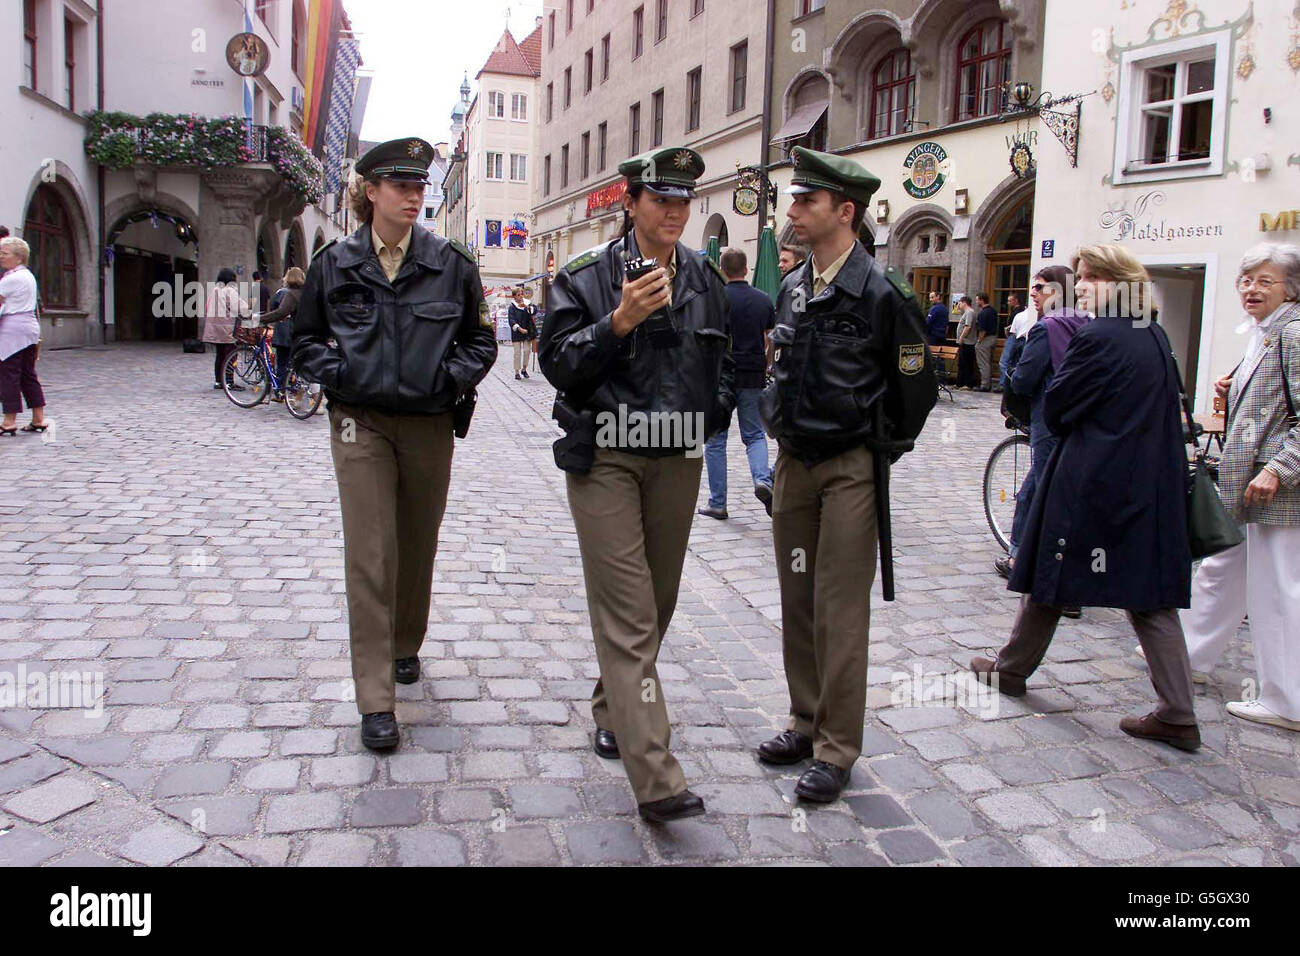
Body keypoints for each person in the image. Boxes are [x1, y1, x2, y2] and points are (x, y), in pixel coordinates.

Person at [540, 146, 736, 823]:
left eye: (685, 200)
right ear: (631, 204)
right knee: (628, 613)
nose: (676, 211)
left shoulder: (707, 279)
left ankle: (610, 705)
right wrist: (617, 322)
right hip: (610, 456)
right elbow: (559, 364)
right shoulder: (589, 276)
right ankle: (655, 776)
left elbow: (726, 364)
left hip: (676, 456)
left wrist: (714, 420)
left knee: (657, 602)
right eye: (662, 199)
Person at [292, 137, 497, 751]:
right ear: (370, 192)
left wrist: (448, 377)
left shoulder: (451, 264)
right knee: (370, 551)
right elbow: (301, 342)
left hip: (430, 423)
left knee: (416, 542)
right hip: (361, 423)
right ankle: (376, 698)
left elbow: (481, 342)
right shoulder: (335, 263)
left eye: (420, 186)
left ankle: (407, 642)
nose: (415, 195)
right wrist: (341, 375)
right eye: (402, 185)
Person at [757, 147, 937, 803]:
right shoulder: (796, 284)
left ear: (845, 210)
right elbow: (778, 362)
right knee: (798, 599)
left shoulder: (885, 294)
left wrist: (875, 450)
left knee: (838, 610)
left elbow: (916, 390)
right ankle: (804, 722)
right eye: (794, 199)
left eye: (806, 201)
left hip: (849, 470)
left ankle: (836, 747)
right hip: (794, 465)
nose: (794, 210)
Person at [972, 244, 1200, 751]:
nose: (1083, 285)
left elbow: (1059, 405)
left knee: (1053, 569)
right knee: (1145, 594)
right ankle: (1178, 712)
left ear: (1115, 282)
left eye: (1090, 277)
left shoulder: (1100, 334)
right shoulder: (1152, 331)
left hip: (1093, 477)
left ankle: (1012, 670)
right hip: (1146, 480)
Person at [1173, 242, 1300, 731]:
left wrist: (1279, 469)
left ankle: (1287, 700)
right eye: (1246, 280)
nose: (1251, 288)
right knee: (1224, 568)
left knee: (1278, 588)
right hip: (1250, 484)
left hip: (1279, 490)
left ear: (1289, 290)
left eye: (1265, 281)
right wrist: (1235, 389)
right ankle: (1187, 654)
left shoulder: (1291, 332)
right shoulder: (1264, 333)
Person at [700, 247, 776, 520]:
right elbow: (769, 337)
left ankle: (718, 502)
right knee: (754, 434)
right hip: (752, 372)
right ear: (746, 269)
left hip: (721, 375)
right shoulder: (763, 299)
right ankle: (762, 479)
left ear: (722, 269)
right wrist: (766, 364)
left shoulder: (715, 298)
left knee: (716, 439)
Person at [0, 237, 48, 436]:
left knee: (8, 373)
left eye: (5, 253)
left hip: (13, 330)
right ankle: (38, 418)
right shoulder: (27, 275)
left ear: (19, 258)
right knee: (28, 374)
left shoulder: (12, 278)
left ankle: (9, 421)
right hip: (28, 328)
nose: (1, 256)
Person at [254, 267, 304, 402]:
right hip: (301, 333)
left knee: (282, 362)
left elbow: (278, 312)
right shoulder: (306, 293)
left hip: (284, 331)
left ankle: (281, 391)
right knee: (295, 363)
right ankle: (296, 392)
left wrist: (261, 319)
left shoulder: (284, 293)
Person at [203, 268, 245, 390]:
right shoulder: (230, 291)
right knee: (231, 355)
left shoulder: (214, 290)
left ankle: (218, 381)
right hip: (227, 328)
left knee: (220, 356)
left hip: (215, 329)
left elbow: (206, 308)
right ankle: (229, 381)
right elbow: (239, 307)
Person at [998, 291, 1034, 392]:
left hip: (1016, 337)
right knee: (1017, 362)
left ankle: (1006, 383)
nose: (1008, 303)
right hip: (1023, 338)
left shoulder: (1020, 313)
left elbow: (1011, 330)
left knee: (1006, 361)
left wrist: (1007, 331)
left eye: (1010, 301)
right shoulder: (1019, 313)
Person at [507, 286, 537, 380]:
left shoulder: (527, 303)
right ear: (514, 296)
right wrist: (519, 329)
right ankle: (517, 372)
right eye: (518, 295)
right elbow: (511, 320)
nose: (521, 296)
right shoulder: (512, 307)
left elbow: (534, 311)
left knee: (527, 351)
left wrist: (527, 307)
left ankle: (524, 369)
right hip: (517, 332)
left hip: (527, 332)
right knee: (517, 353)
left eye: (521, 294)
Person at [974, 293, 999, 391]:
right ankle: (988, 383)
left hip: (986, 339)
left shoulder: (983, 313)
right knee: (989, 361)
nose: (976, 302)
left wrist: (979, 341)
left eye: (977, 300)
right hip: (993, 337)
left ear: (981, 300)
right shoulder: (993, 311)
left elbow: (982, 330)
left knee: (983, 363)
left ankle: (985, 384)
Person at [953, 296, 978, 388]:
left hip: (968, 342)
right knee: (962, 363)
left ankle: (968, 383)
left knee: (967, 363)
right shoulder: (966, 313)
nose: (958, 305)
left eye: (959, 303)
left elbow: (968, 326)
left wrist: (961, 338)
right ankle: (959, 383)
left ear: (964, 303)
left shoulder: (969, 312)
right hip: (965, 342)